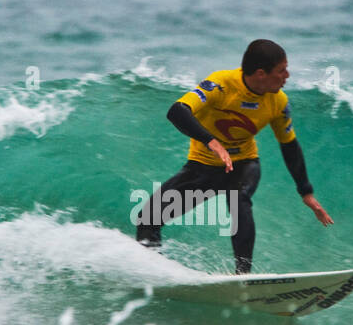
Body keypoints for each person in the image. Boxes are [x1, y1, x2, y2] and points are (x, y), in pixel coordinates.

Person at [134, 39, 333, 273]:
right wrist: (211, 141)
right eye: (281, 70)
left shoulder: (278, 102)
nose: (287, 75)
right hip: (203, 167)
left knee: (239, 198)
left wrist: (306, 192)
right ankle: (152, 273)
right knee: (148, 217)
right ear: (261, 74)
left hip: (244, 164)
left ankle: (243, 276)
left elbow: (289, 145)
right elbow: (177, 111)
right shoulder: (220, 85)